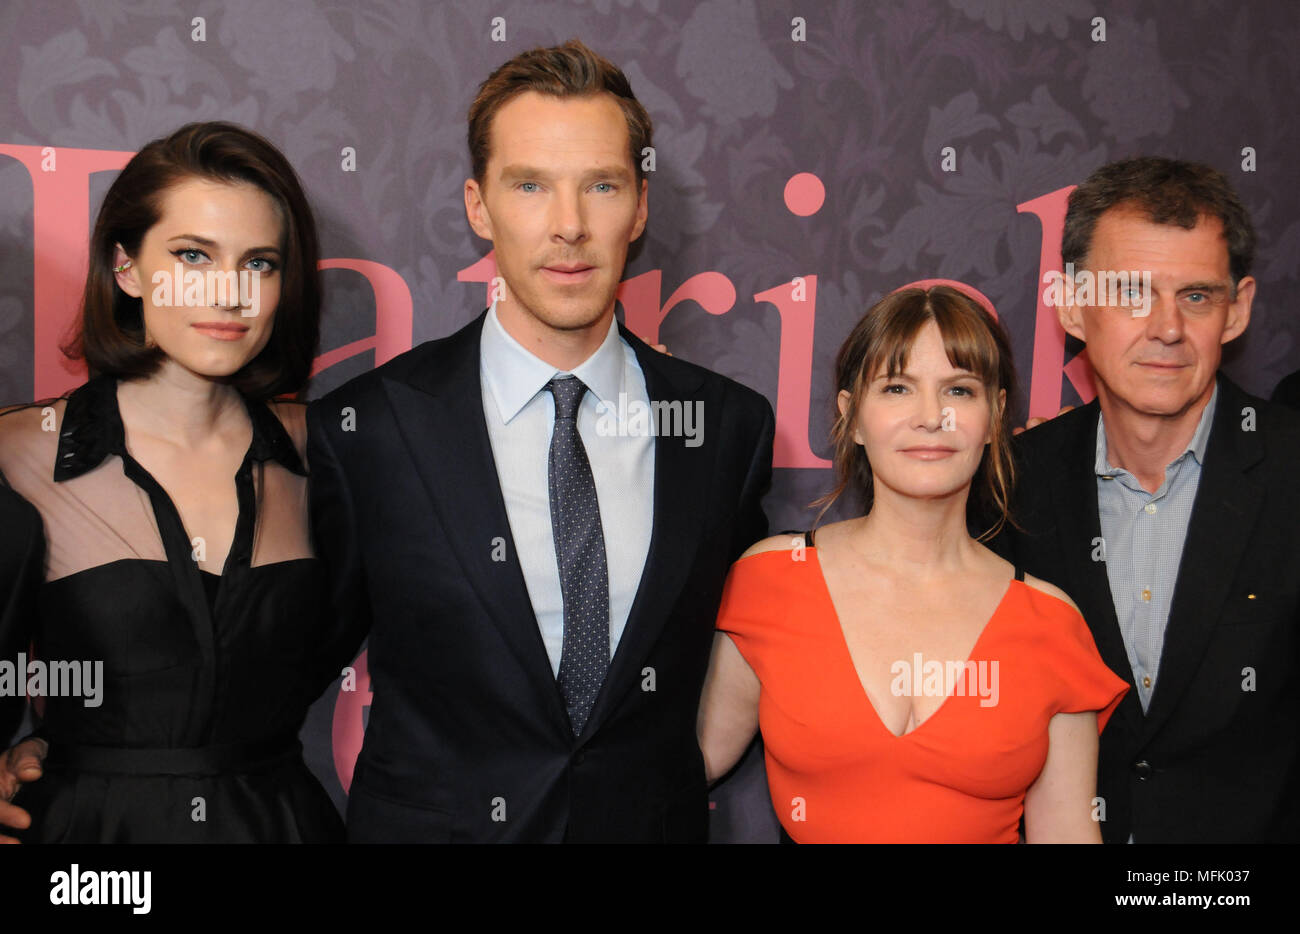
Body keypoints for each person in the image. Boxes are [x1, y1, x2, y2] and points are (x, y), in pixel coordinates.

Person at [306, 39, 773, 843]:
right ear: (478, 206)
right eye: (531, 185)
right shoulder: (371, 427)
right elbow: (284, 664)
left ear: (640, 206)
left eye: (601, 185)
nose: (569, 226)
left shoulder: (724, 428)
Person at [0, 121, 358, 842]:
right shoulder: (19, 454)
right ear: (126, 268)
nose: (229, 293)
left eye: (259, 264)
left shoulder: (331, 456)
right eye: (193, 255)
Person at [697, 285, 1128, 843]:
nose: (932, 417)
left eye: (960, 390)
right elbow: (680, 766)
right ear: (852, 417)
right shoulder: (769, 580)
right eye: (897, 388)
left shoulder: (1051, 623)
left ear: (995, 416)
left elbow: (1068, 835)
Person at [998, 156, 1300, 843]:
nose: (1167, 327)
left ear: (1237, 309)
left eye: (1196, 296)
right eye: (1132, 291)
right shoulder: (1010, 484)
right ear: (1072, 304)